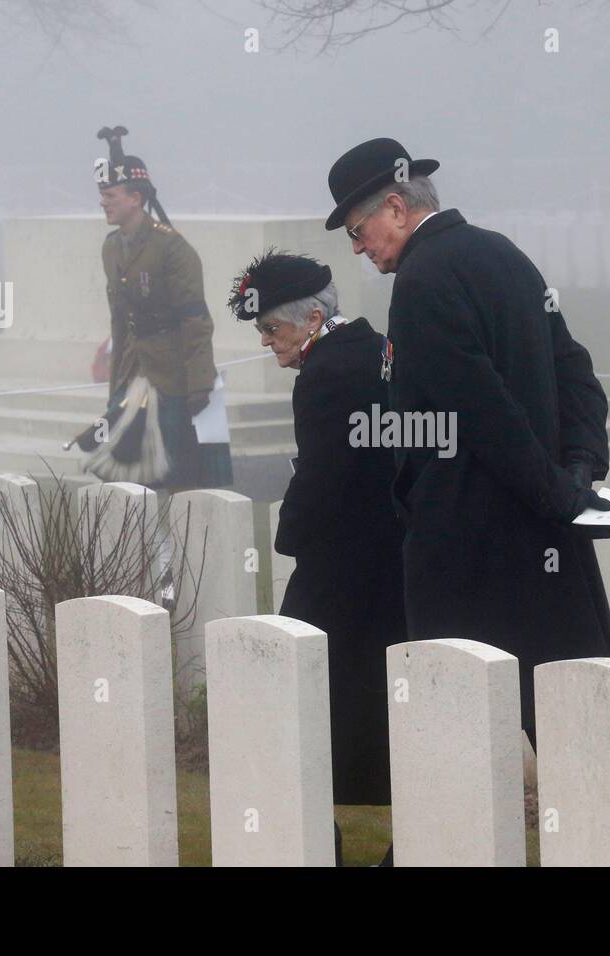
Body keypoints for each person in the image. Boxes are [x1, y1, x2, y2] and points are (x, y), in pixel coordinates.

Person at [324, 137, 610, 747]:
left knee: (453, 721)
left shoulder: (422, 281)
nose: (357, 247)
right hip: (545, 533)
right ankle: (606, 839)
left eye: (358, 229)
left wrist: (562, 495)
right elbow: (575, 372)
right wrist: (578, 473)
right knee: (576, 715)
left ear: (398, 209)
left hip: (468, 541)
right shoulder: (502, 254)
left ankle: (442, 845)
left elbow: (481, 411)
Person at [228, 250, 405, 867]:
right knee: (390, 709)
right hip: (397, 561)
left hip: (343, 573)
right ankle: (413, 836)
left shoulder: (326, 374)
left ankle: (310, 838)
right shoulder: (378, 348)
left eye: (272, 330)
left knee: (297, 702)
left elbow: (325, 476)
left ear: (309, 318)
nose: (268, 344)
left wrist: (289, 531)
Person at [75, 125, 232, 491]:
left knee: (179, 478)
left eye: (110, 193)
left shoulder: (173, 250)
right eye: (101, 193)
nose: (103, 201)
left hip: (172, 378)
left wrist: (198, 387)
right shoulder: (111, 247)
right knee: (122, 475)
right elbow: (120, 322)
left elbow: (195, 322)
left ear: (135, 198)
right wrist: (117, 384)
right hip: (131, 375)